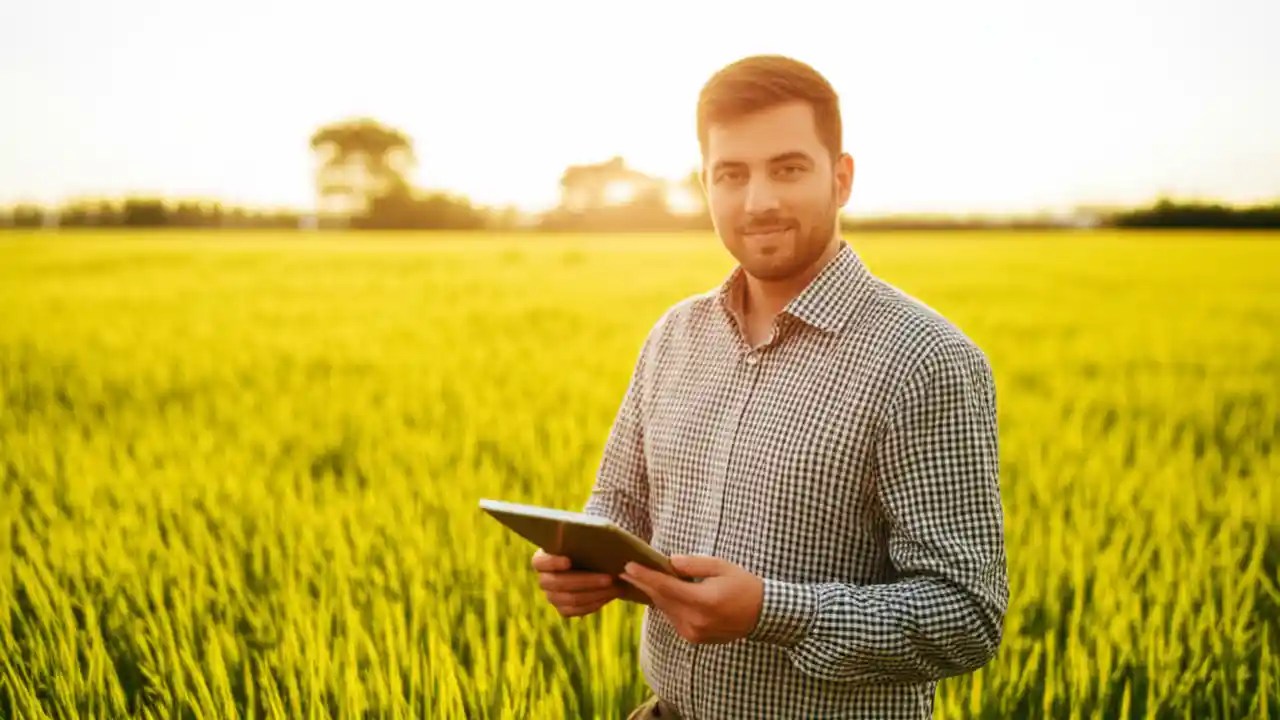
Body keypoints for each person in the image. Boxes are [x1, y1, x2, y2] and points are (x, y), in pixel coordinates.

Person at [531, 54, 1009, 719]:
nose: (758, 201)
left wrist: (771, 612)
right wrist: (585, 566)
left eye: (788, 169)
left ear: (840, 179)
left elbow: (966, 613)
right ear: (706, 185)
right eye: (732, 174)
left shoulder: (925, 360)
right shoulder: (675, 336)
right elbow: (619, 504)